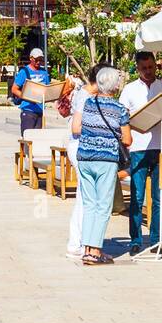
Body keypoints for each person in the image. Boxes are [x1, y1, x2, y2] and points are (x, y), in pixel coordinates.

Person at [119, 51, 162, 254]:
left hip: (161, 147)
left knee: (158, 195)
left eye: (151, 67)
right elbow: (121, 117)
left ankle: (156, 239)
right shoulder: (129, 90)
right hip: (138, 148)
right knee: (137, 196)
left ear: (156, 66)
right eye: (144, 68)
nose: (148, 71)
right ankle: (135, 240)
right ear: (137, 68)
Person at [70, 66, 132, 266]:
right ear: (115, 86)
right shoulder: (120, 109)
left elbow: (78, 126)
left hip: (85, 158)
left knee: (89, 205)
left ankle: (87, 249)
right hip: (105, 160)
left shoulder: (88, 103)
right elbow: (128, 139)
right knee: (103, 206)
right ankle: (95, 251)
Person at [61, 64, 107, 258]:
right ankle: (77, 243)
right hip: (81, 147)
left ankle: (82, 241)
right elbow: (76, 127)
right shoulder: (85, 96)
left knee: (86, 196)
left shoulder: (87, 94)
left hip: (84, 147)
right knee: (85, 196)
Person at [10, 48, 51, 132]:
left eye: (40, 60)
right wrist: (26, 96)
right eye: (36, 60)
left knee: (37, 140)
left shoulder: (44, 72)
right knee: (28, 138)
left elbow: (47, 88)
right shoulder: (24, 71)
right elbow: (14, 89)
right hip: (28, 110)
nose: (38, 62)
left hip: (40, 110)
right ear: (31, 58)